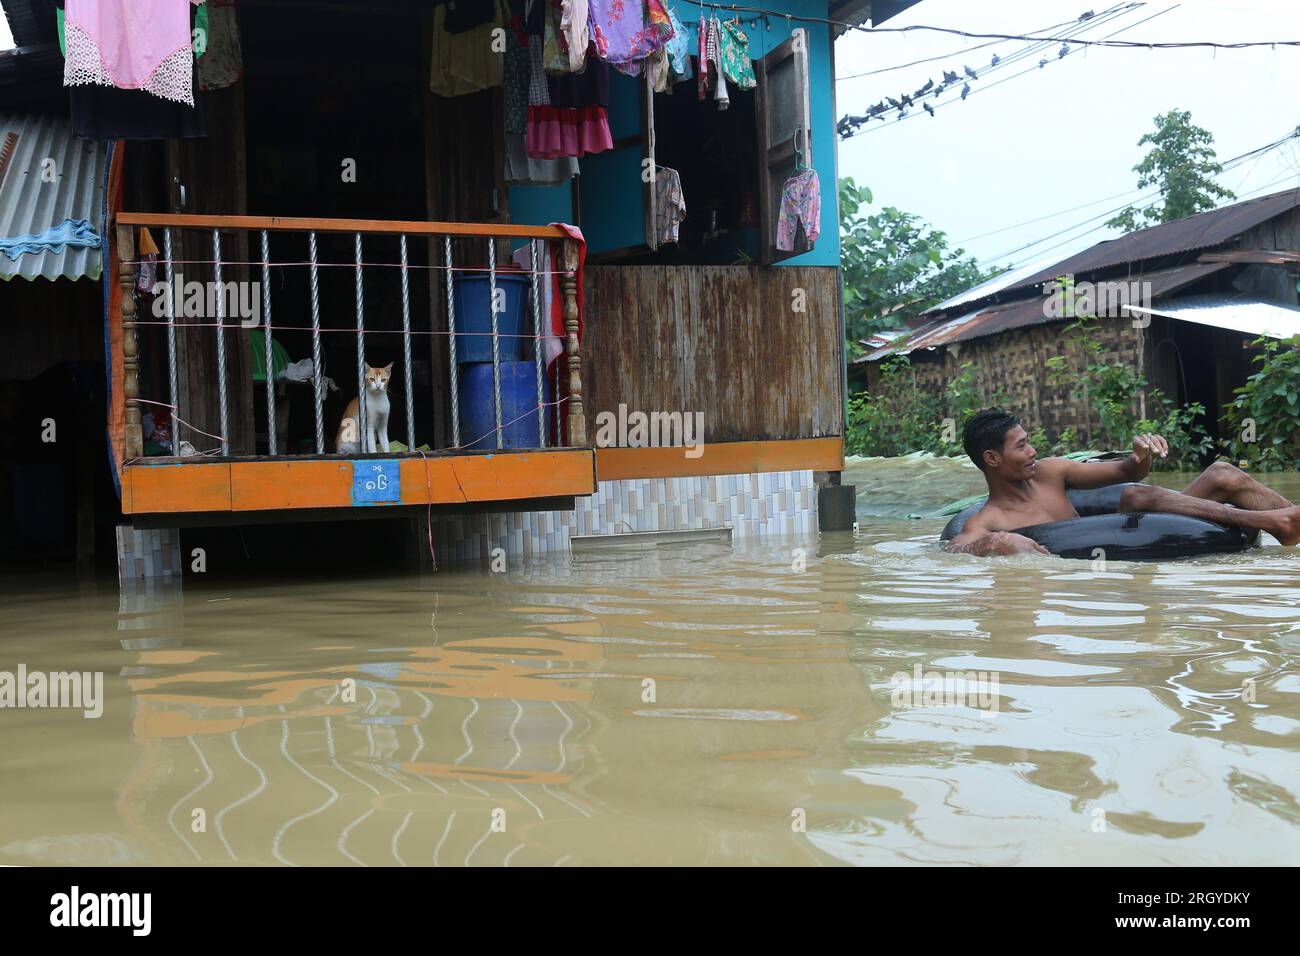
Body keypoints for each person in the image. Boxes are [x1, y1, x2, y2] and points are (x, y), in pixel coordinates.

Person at [945, 408, 1300, 556]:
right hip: (1115, 559)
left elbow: (1125, 473)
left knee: (1222, 473)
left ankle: (1286, 521)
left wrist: (1140, 455)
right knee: (1134, 499)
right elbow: (954, 551)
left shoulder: (1050, 472)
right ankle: (1271, 523)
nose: (1033, 451)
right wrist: (997, 542)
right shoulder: (988, 520)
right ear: (992, 458)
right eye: (1022, 446)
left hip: (1144, 521)